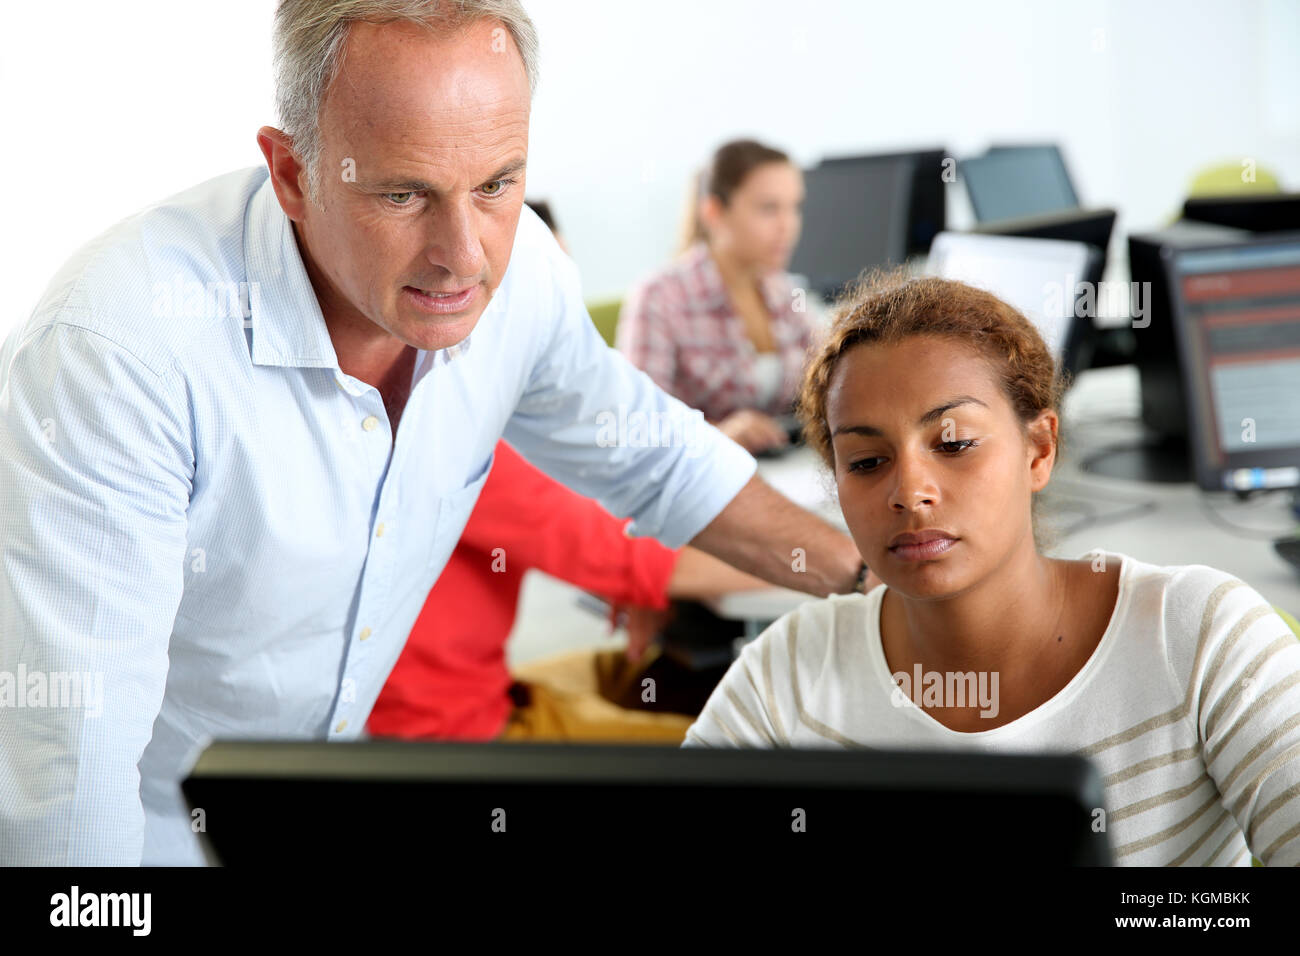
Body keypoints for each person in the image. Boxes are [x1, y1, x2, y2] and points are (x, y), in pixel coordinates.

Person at [0, 0, 871, 866]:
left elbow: (654, 455)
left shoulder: (519, 269)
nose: (464, 256)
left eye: (496, 183)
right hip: (144, 832)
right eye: (404, 192)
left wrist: (868, 578)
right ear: (293, 173)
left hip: (316, 789)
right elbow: (73, 768)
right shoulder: (119, 350)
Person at [684, 269, 1300, 867]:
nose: (911, 492)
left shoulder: (1202, 639)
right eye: (867, 461)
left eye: (954, 445)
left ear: (1039, 451)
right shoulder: (785, 676)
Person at [366, 440, 767, 743]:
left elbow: (589, 522)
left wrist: (633, 576)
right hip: (455, 732)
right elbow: (640, 557)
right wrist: (814, 561)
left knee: (650, 669)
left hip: (461, 688)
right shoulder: (451, 444)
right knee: (748, 743)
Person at [617, 139, 813, 454]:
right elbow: (636, 427)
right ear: (714, 212)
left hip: (784, 465)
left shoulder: (788, 291)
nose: (787, 226)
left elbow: (825, 381)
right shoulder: (658, 296)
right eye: (768, 208)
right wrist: (718, 434)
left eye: (794, 207)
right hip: (700, 479)